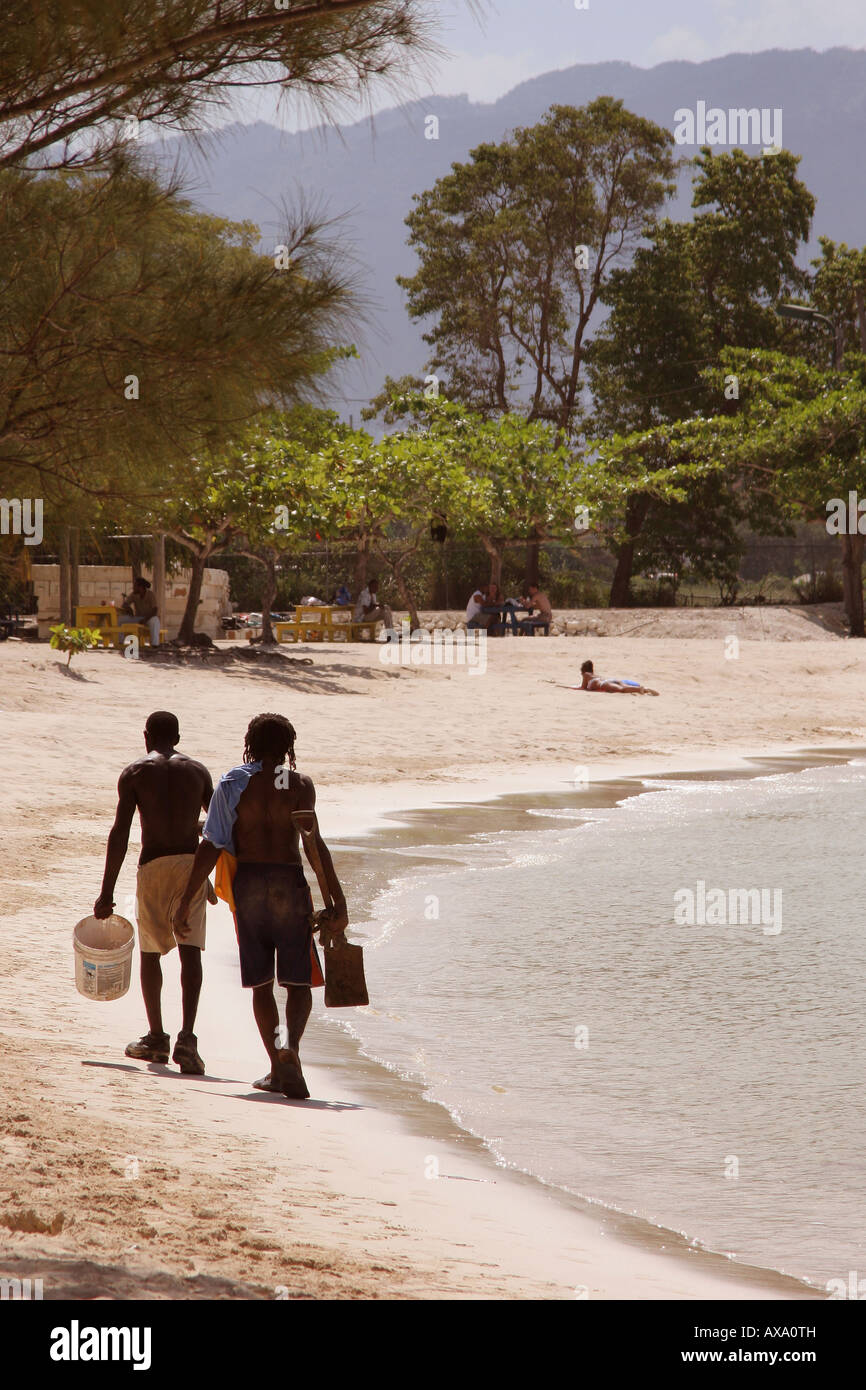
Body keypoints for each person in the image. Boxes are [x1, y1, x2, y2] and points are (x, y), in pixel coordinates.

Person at [173, 713, 348, 1101]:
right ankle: (292, 1053)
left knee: (261, 983)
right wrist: (336, 901)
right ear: (288, 746)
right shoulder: (297, 784)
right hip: (288, 883)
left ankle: (275, 1065)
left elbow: (212, 844)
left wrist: (185, 900)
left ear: (249, 742)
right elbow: (312, 845)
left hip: (249, 884)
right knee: (298, 980)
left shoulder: (234, 782)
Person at [93, 711, 214, 1073]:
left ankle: (157, 1038)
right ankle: (188, 1038)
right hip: (190, 867)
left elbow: (120, 834)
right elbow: (219, 825)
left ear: (147, 736)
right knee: (190, 951)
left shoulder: (135, 772)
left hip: (154, 867)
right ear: (177, 737)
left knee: (151, 952)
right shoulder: (198, 771)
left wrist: (106, 893)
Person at [119, 576, 161, 647]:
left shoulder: (150, 595)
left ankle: (155, 644)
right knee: (120, 620)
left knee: (155, 620)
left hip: (148, 618)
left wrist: (146, 619)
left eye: (135, 586)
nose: (133, 587)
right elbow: (124, 604)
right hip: (138, 618)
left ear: (140, 587)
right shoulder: (133, 595)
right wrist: (129, 609)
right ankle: (120, 641)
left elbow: (155, 610)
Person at [578, 659, 659, 695]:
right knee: (625, 686)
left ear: (583, 670)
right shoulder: (595, 675)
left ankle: (641, 689)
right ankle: (645, 689)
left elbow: (583, 687)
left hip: (604, 684)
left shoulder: (586, 675)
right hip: (610, 680)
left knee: (622, 690)